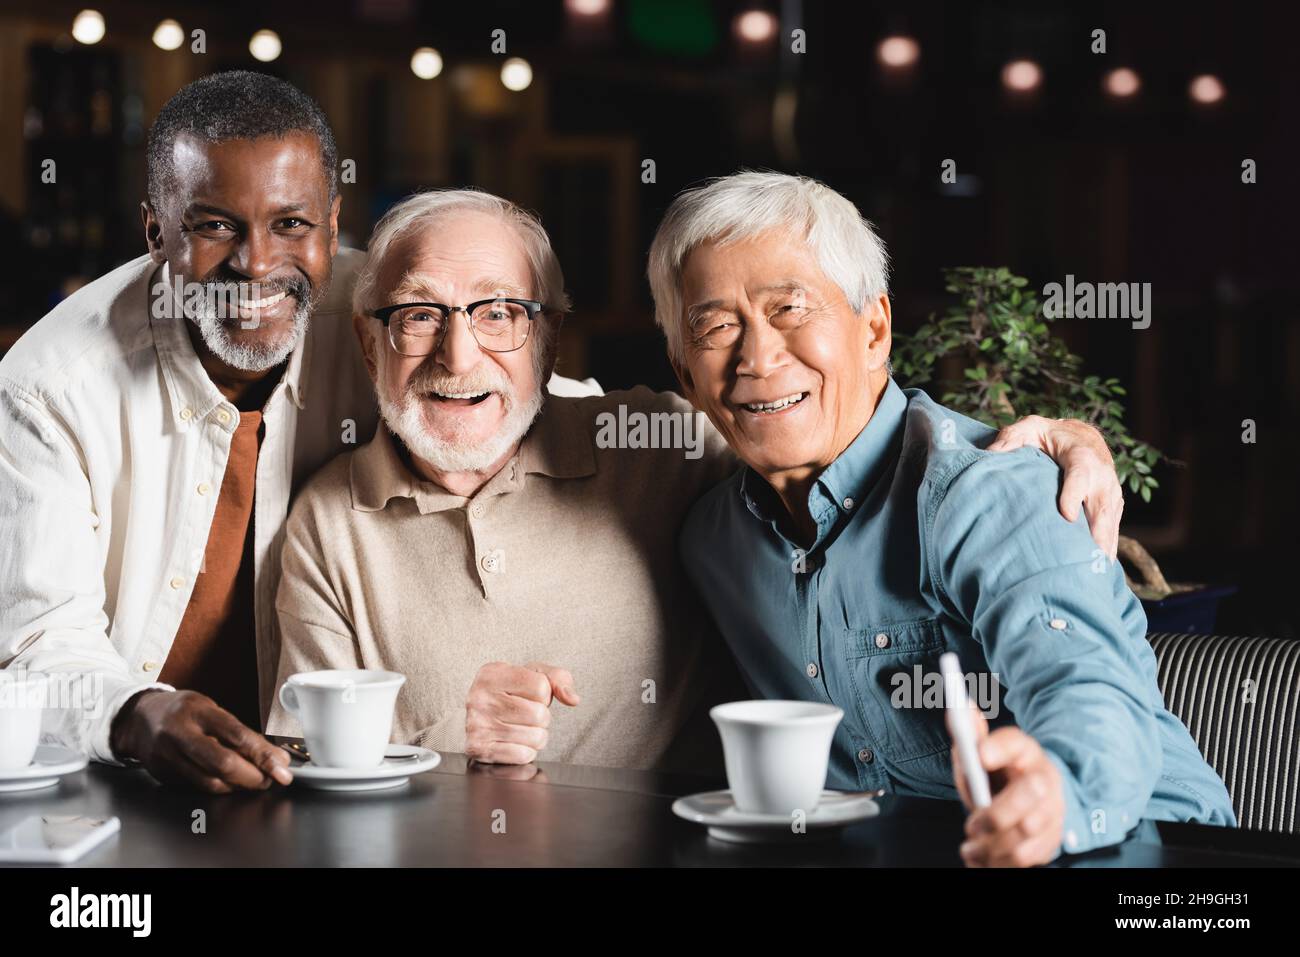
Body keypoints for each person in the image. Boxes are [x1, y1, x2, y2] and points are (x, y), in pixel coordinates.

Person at [267, 187, 1124, 773]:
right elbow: (298, 767)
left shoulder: (660, 447)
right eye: (420, 315)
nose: (460, 356)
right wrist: (451, 735)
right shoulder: (325, 523)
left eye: (501, 315)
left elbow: (825, 433)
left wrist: (1055, 440)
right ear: (369, 342)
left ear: (550, 341)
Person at [0, 70, 596, 793]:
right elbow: (35, 643)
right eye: (214, 224)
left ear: (334, 225)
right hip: (113, 784)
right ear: (156, 231)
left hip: (321, 786)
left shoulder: (384, 314)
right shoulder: (49, 384)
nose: (257, 264)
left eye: (291, 223)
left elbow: (518, 392)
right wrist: (134, 712)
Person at [650, 171, 1235, 863]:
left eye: (789, 310)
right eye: (716, 326)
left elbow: (1086, 687)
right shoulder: (711, 540)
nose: (757, 356)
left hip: (1140, 844)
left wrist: (1056, 798)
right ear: (686, 374)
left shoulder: (990, 491)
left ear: (874, 330)